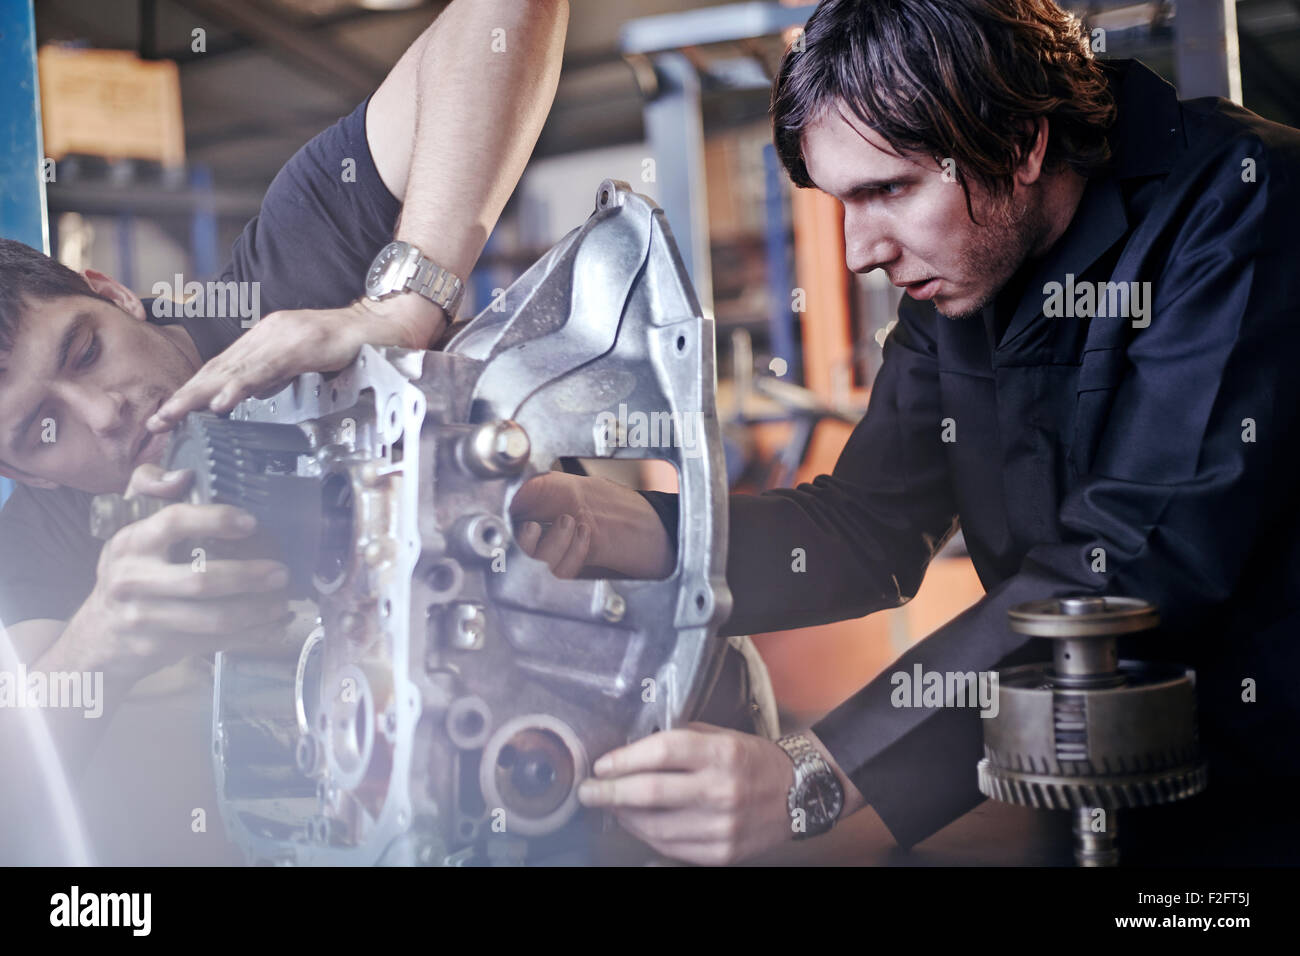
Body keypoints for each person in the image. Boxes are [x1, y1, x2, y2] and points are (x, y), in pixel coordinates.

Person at [512, 0, 1300, 865]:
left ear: (1022, 143)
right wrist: (633, 531)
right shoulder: (965, 269)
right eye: (840, 201)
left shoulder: (1245, 202)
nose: (857, 253)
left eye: (885, 190)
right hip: (1084, 786)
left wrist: (817, 775)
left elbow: (1139, 556)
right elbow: (868, 526)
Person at [0, 0, 570, 817]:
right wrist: (102, 640)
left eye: (83, 350)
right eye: (39, 431)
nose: (103, 414)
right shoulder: (39, 544)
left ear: (112, 293)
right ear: (19, 472)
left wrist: (404, 309)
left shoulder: (285, 276)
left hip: (598, 648)